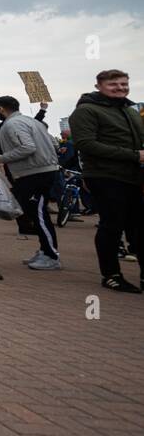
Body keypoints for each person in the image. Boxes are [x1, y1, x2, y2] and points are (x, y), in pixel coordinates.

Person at [68, 69, 144, 293]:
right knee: (112, 226)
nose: (120, 88)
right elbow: (86, 144)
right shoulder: (86, 111)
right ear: (99, 86)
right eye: (114, 85)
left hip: (133, 178)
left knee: (139, 228)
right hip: (105, 177)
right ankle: (111, 275)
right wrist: (134, 155)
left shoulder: (129, 110)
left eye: (124, 84)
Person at [0, 96, 61, 270]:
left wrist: (1, 158)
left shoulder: (13, 124)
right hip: (40, 171)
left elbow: (27, 147)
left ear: (1, 109)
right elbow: (54, 143)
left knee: (39, 214)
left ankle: (51, 255)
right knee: (36, 213)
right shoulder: (32, 122)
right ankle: (45, 250)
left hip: (34, 174)